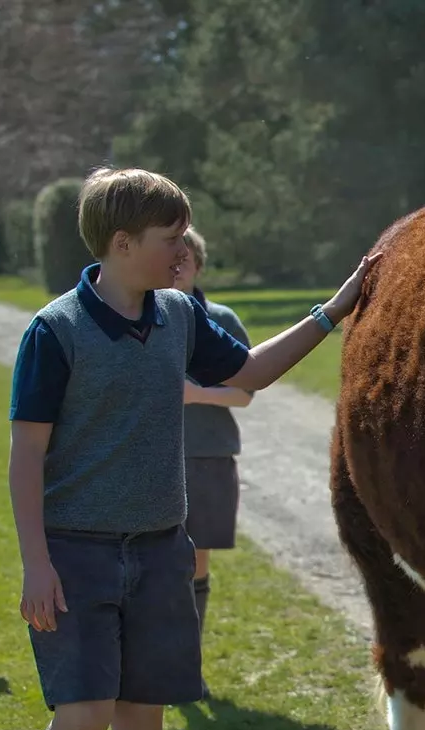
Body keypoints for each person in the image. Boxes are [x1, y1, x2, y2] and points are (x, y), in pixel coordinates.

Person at [10, 166, 377, 730]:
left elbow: (246, 373)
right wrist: (35, 561)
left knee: (143, 723)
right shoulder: (57, 330)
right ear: (120, 243)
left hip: (160, 551)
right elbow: (24, 456)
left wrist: (332, 308)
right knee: (83, 718)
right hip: (75, 555)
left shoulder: (180, 316)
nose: (183, 249)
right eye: (169, 238)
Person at [173, 227, 251, 699]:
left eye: (186, 259)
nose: (177, 266)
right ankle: (151, 666)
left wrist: (196, 394)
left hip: (206, 455)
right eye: (171, 257)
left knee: (195, 562)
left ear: (199, 265)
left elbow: (244, 392)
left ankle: (189, 666)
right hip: (149, 458)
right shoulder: (138, 317)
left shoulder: (219, 319)